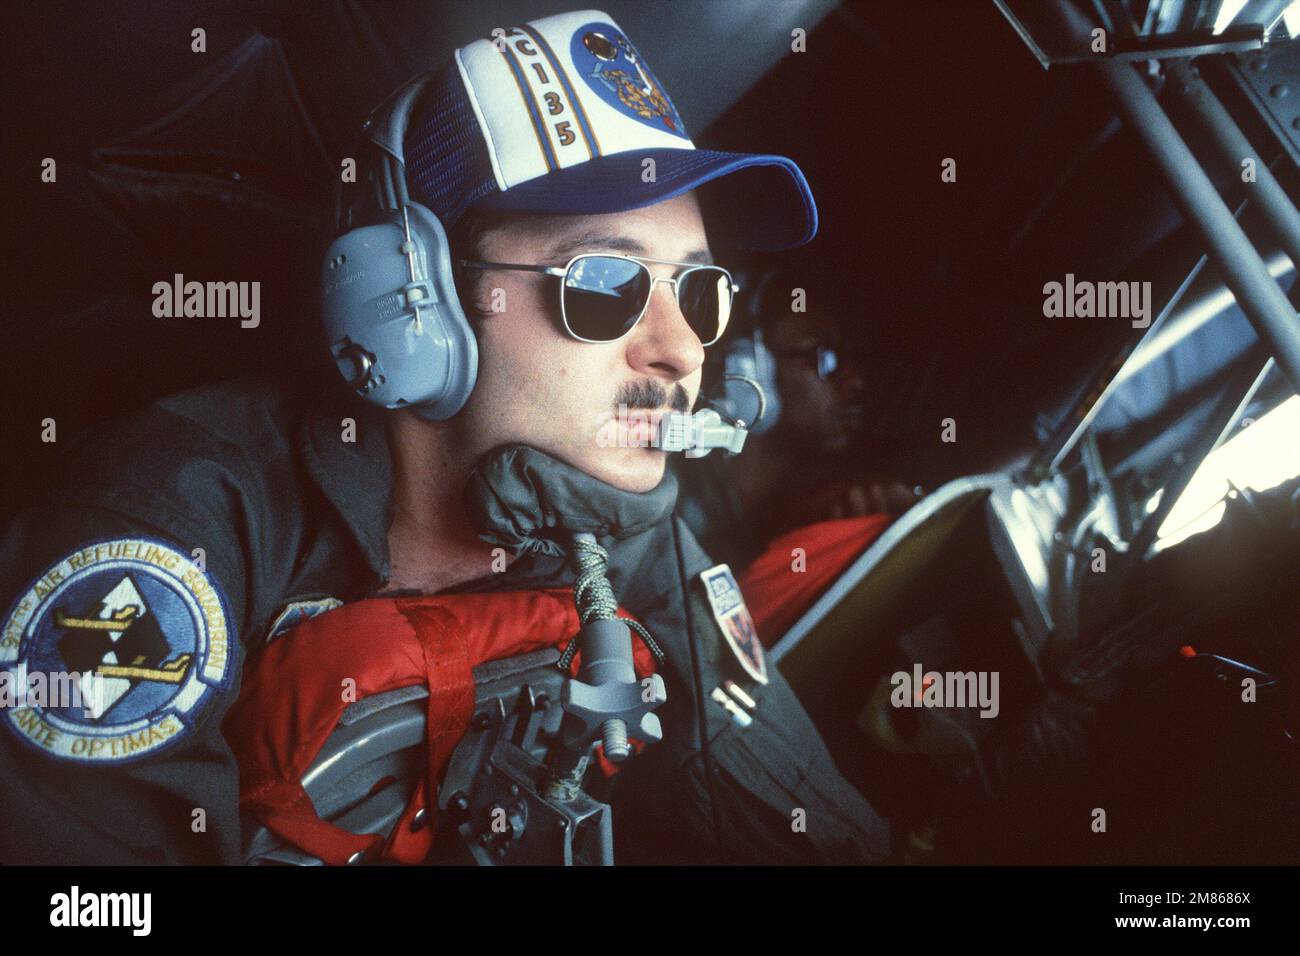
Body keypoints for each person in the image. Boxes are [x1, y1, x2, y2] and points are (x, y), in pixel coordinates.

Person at [0, 9, 890, 865]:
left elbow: (799, 812)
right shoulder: (174, 526)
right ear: (411, 299)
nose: (681, 349)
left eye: (699, 293)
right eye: (606, 283)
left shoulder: (620, 521)